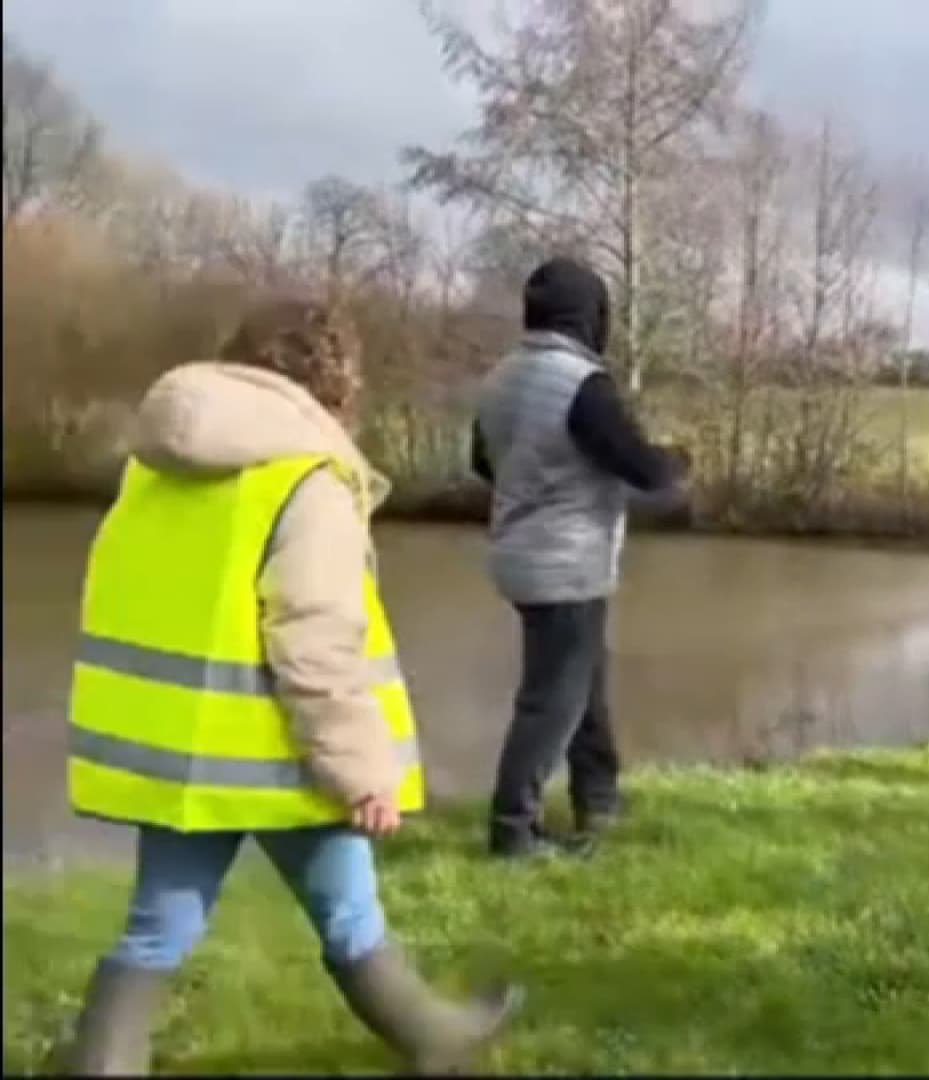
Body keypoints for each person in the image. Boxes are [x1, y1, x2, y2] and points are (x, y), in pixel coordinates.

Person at [62, 300, 521, 1074]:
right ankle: (437, 1041)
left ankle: (98, 1065)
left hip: (183, 749)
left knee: (157, 927)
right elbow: (316, 638)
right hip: (282, 750)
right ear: (334, 384)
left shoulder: (155, 464)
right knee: (349, 914)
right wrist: (362, 773)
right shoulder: (308, 476)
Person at [471, 256, 685, 860]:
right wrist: (676, 466)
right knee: (552, 698)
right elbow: (636, 464)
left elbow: (484, 463)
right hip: (563, 560)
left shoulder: (502, 377)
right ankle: (514, 831)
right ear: (592, 315)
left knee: (582, 680)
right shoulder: (580, 382)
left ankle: (600, 797)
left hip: (519, 550)